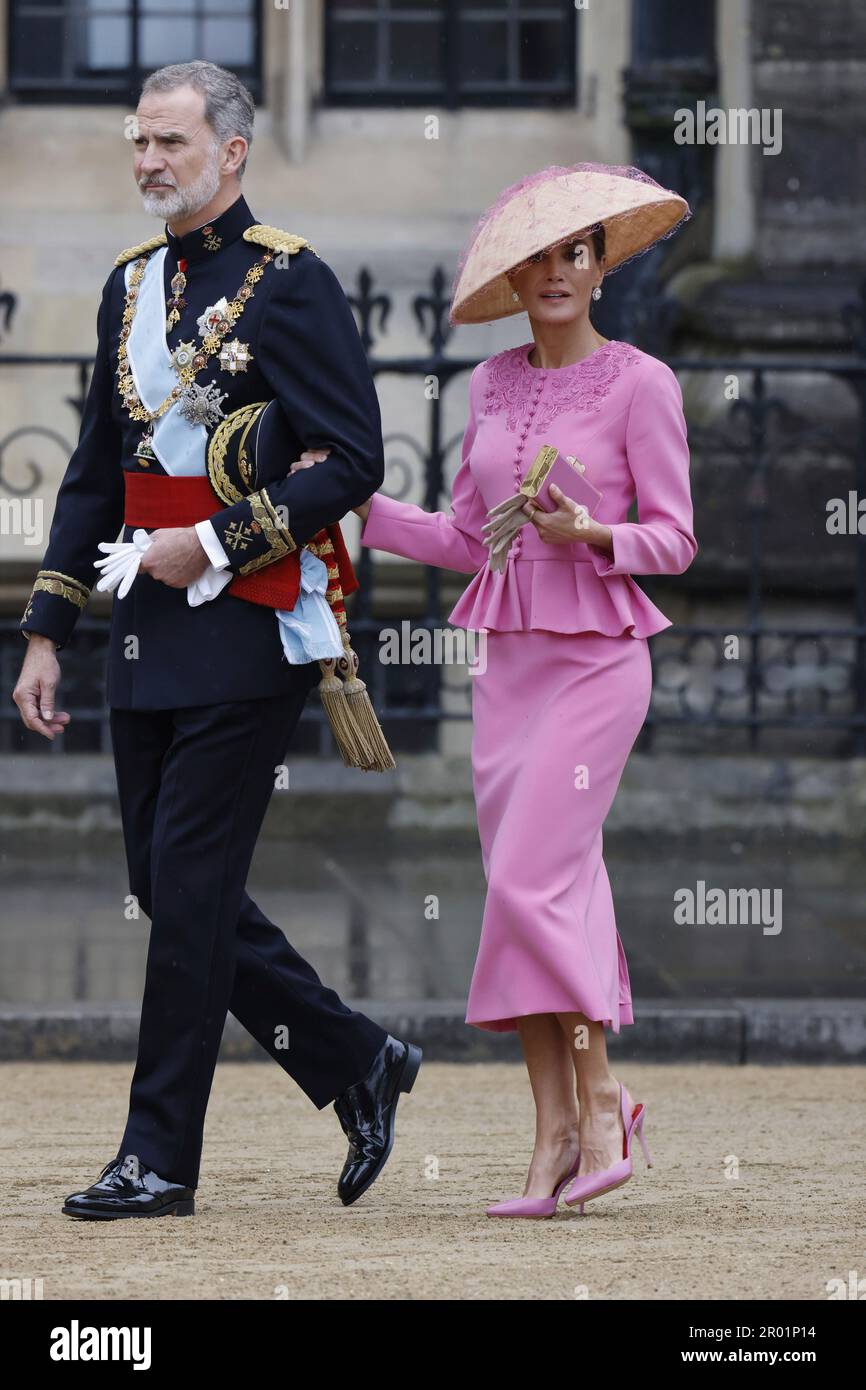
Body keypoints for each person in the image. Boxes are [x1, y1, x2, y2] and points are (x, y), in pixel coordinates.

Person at [12, 60, 420, 1220]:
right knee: (165, 882)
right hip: (142, 621)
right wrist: (46, 630)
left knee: (188, 888)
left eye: (170, 144)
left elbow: (354, 457)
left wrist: (226, 541)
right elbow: (97, 474)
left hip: (247, 620)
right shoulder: (128, 285)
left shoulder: (292, 283)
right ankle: (355, 1060)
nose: (148, 161)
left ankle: (158, 1159)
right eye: (138, 143)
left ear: (231, 151)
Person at [353, 164, 697, 1217]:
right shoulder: (489, 386)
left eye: (576, 253)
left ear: (599, 267)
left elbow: (676, 540)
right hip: (508, 667)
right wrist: (351, 503)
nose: (557, 271)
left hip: (597, 660)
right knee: (541, 890)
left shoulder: (642, 382)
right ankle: (553, 1137)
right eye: (540, 257)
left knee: (527, 889)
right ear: (517, 275)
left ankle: (598, 1099)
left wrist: (589, 530)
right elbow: (465, 536)